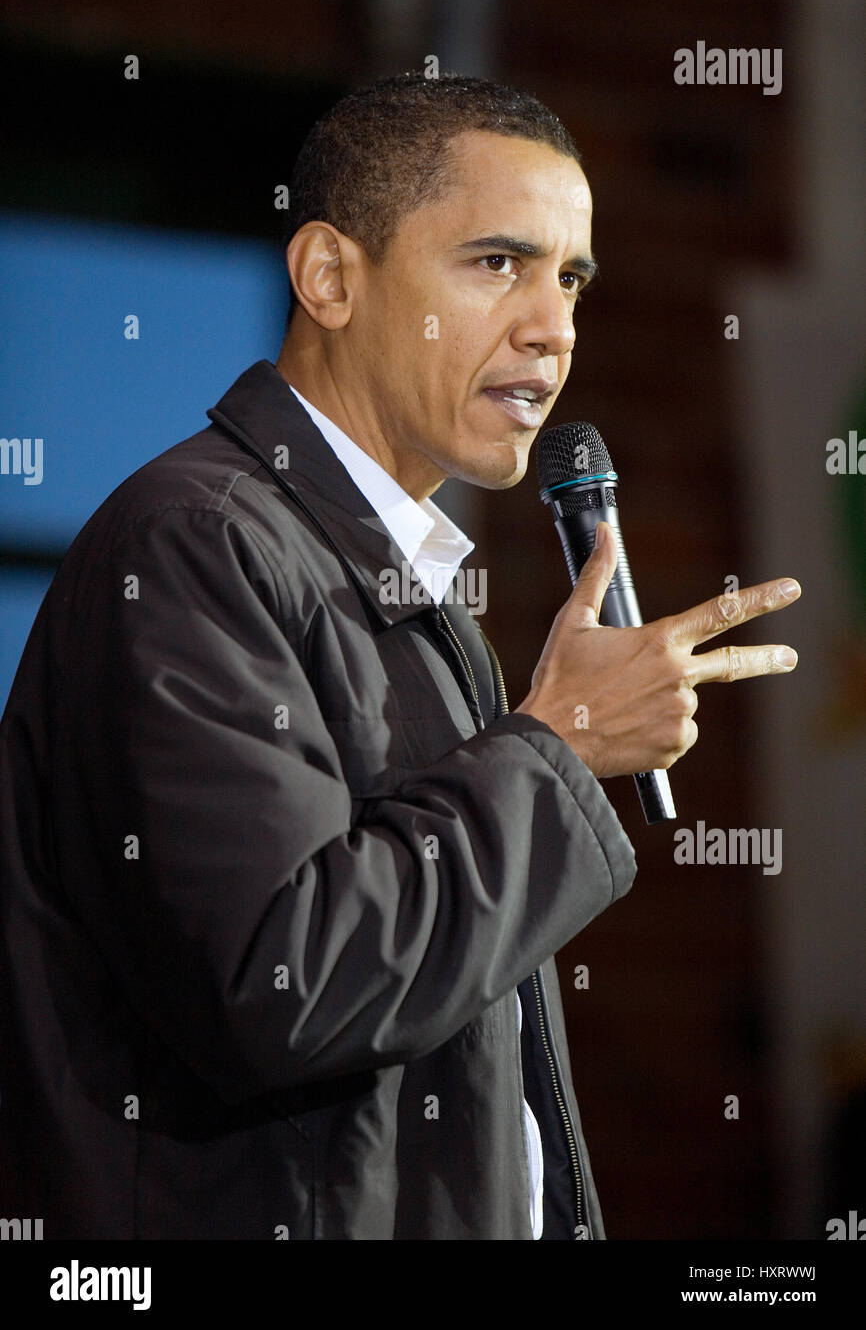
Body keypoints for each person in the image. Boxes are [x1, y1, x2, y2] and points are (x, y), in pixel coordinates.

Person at [0, 73, 800, 1241]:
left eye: (569, 278)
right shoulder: (195, 543)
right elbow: (276, 983)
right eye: (495, 264)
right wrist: (560, 742)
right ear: (329, 277)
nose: (553, 327)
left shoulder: (392, 580)